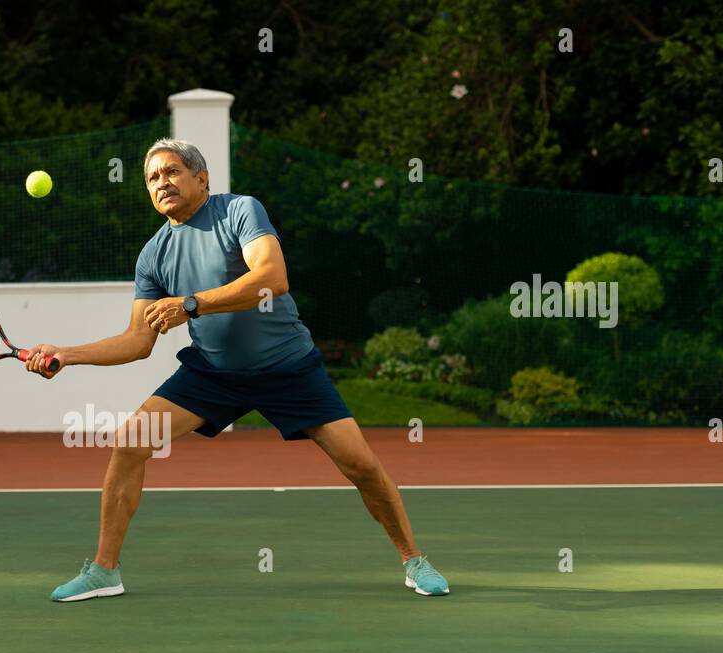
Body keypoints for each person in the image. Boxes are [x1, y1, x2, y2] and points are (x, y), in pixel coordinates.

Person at [24, 138, 449, 601]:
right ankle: (105, 571)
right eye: (152, 178)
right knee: (130, 442)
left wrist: (192, 304)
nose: (161, 183)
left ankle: (413, 559)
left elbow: (271, 278)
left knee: (361, 465)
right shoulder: (154, 254)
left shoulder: (239, 212)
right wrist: (66, 354)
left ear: (200, 178)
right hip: (213, 374)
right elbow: (137, 341)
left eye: (171, 172)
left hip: (288, 369)